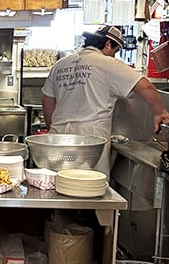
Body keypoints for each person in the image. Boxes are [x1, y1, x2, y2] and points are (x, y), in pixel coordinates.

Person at [41, 24, 169, 174]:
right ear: (108, 44)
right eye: (114, 51)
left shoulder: (60, 64)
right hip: (90, 138)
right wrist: (160, 112)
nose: (114, 56)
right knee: (88, 188)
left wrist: (55, 127)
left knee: (55, 184)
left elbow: (47, 100)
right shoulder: (108, 64)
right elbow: (146, 87)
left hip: (58, 136)